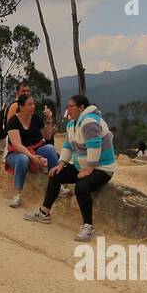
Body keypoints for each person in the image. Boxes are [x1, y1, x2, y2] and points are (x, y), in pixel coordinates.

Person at [24, 94, 115, 240]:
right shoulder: (72, 124)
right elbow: (67, 145)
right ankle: (44, 212)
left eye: (71, 106)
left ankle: (88, 226)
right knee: (55, 174)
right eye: (68, 106)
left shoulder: (90, 121)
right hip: (82, 166)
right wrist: (61, 164)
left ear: (81, 108)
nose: (68, 109)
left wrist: (89, 169)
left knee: (81, 187)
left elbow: (95, 146)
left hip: (102, 168)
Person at [3, 93, 59, 207]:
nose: (33, 106)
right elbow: (17, 145)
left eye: (33, 104)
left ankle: (57, 184)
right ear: (21, 107)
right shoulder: (13, 122)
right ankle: (17, 195)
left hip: (36, 149)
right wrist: (32, 157)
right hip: (16, 153)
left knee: (50, 148)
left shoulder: (36, 119)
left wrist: (49, 120)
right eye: (29, 105)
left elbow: (47, 136)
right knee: (23, 159)